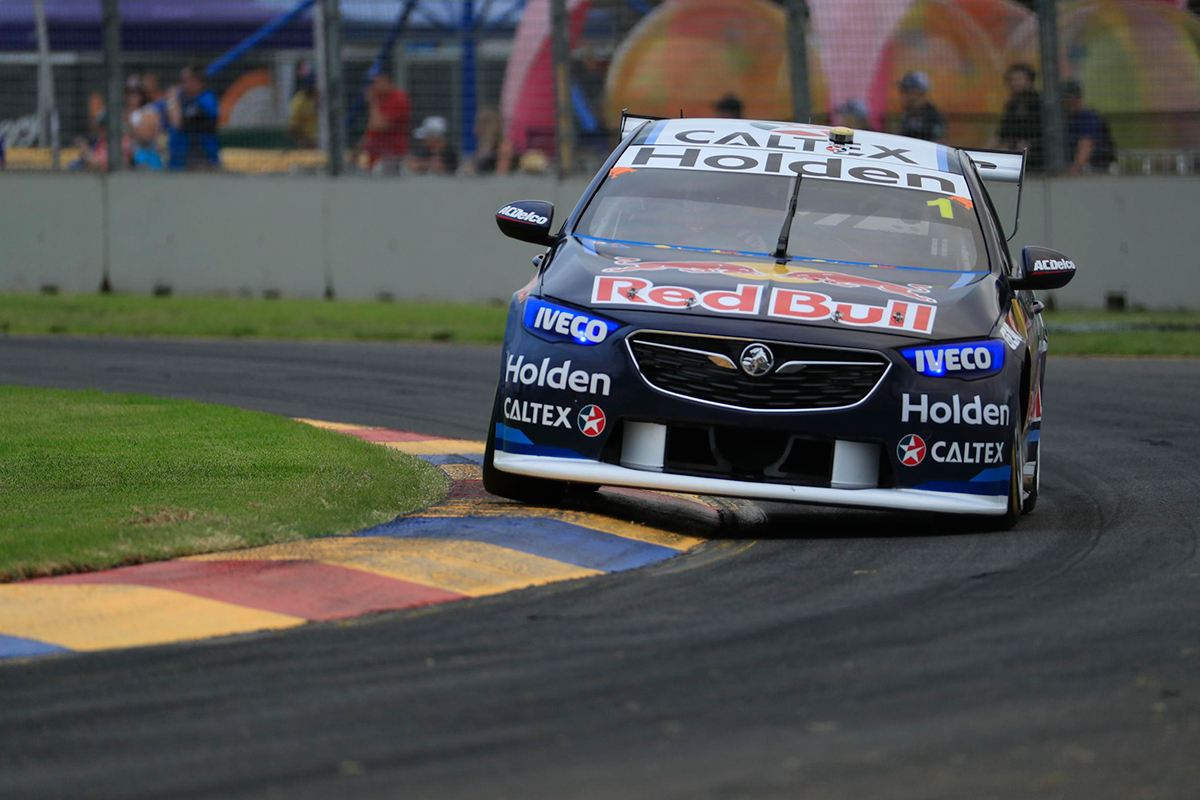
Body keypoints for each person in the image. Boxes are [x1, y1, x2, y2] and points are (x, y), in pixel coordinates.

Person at [166, 64, 220, 170]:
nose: (183, 84)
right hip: (179, 162)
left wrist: (172, 100)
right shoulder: (183, 99)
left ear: (197, 81)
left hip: (201, 160)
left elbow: (177, 123)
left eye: (186, 79)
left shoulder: (207, 99)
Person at [357, 72, 411, 172]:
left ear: (387, 81)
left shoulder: (398, 99)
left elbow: (380, 125)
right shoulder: (381, 99)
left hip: (390, 158)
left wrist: (372, 102)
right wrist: (359, 149)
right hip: (375, 156)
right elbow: (372, 128)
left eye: (376, 82)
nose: (373, 86)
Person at [995, 63, 1042, 171]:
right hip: (1016, 155)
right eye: (1011, 80)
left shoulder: (1038, 103)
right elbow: (1001, 135)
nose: (1015, 83)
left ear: (1030, 81)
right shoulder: (1012, 104)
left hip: (1038, 158)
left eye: (1020, 79)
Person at [1062, 78, 1115, 175]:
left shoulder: (1087, 116)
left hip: (1093, 168)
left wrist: (1075, 169)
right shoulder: (1065, 118)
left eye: (1068, 98)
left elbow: (1086, 144)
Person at [897, 71, 945, 142]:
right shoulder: (907, 113)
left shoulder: (932, 116)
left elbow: (939, 143)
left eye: (906, 91)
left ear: (919, 92)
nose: (903, 95)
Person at [470, 107, 514, 175]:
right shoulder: (482, 147)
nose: (475, 129)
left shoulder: (503, 146)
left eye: (480, 124)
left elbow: (502, 173)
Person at [287, 61, 319, 148]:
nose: (312, 90)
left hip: (324, 141)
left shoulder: (320, 97)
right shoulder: (298, 101)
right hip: (307, 143)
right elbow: (292, 128)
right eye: (310, 88)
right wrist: (305, 141)